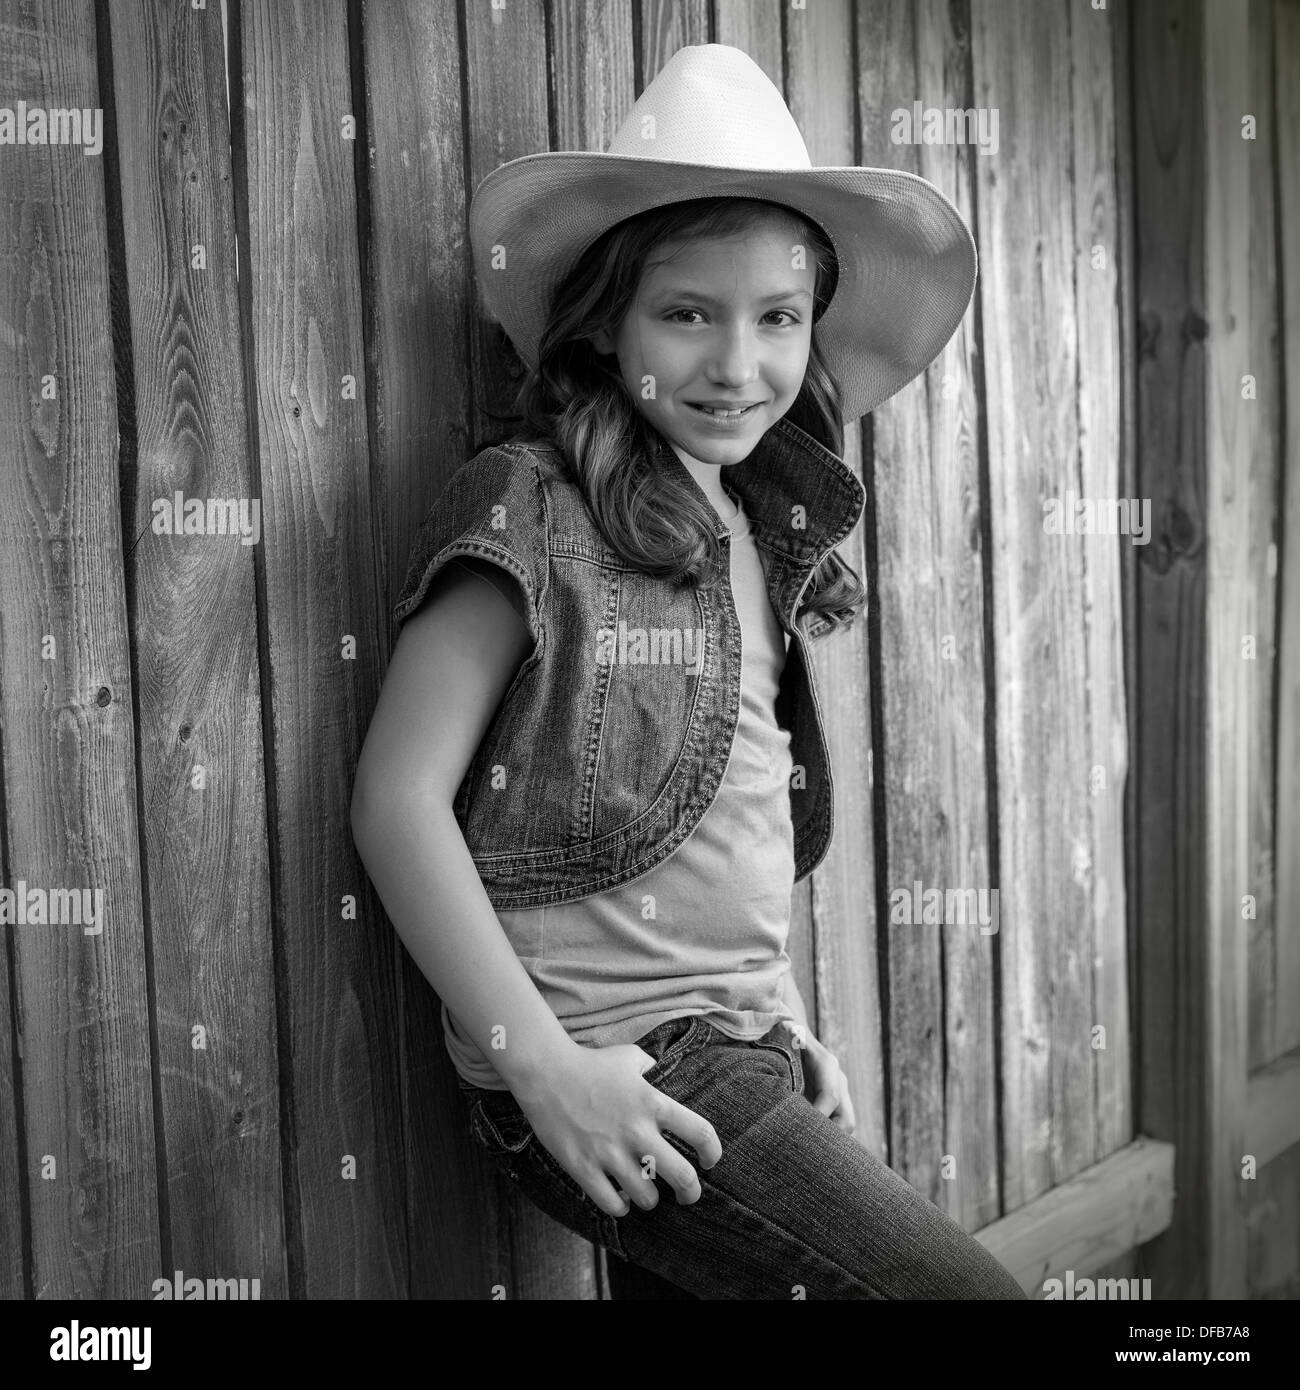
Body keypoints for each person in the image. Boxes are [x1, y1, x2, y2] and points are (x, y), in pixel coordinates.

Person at [351, 44, 1025, 1300]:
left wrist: (770, 1009)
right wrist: (542, 1067)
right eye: (686, 312)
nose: (735, 363)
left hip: (729, 1052)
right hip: (603, 1064)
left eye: (776, 318)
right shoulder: (533, 508)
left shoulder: (764, 534)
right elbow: (396, 801)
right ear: (607, 323)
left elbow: (721, 813)